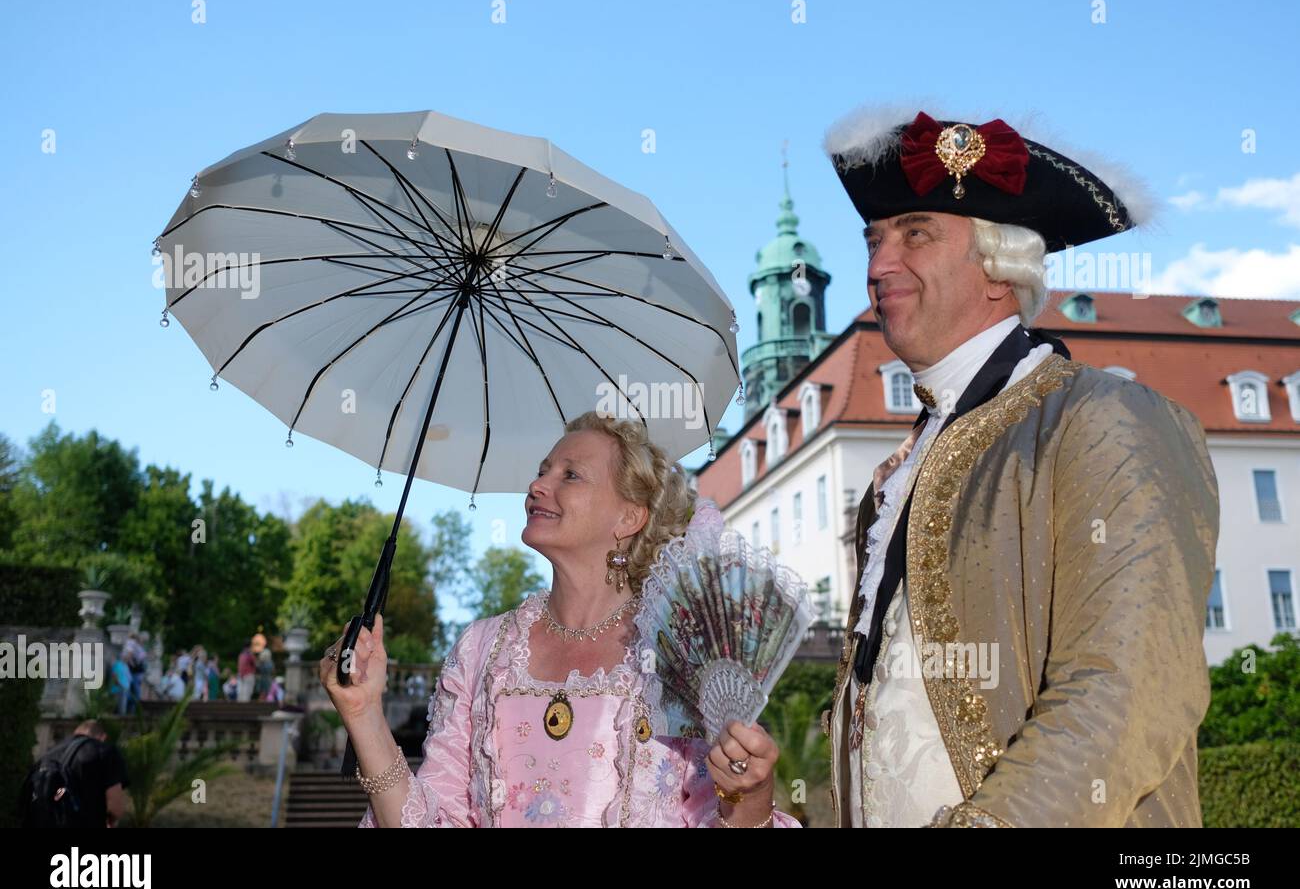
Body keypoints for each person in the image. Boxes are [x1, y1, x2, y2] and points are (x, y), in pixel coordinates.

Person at [819, 107, 1218, 827]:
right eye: (874, 239)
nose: (878, 265)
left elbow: (1128, 689)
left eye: (916, 233)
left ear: (1001, 267)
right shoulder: (893, 477)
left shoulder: (1104, 420)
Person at [323, 412, 799, 828]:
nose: (537, 485)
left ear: (630, 517)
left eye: (571, 475)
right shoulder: (481, 649)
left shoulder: (682, 654)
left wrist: (751, 797)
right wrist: (363, 714)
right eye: (542, 471)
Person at [22, 720, 129, 828]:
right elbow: (116, 807)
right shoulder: (105, 751)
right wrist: (112, 821)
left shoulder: (47, 756)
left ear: (75, 733)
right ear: (102, 737)